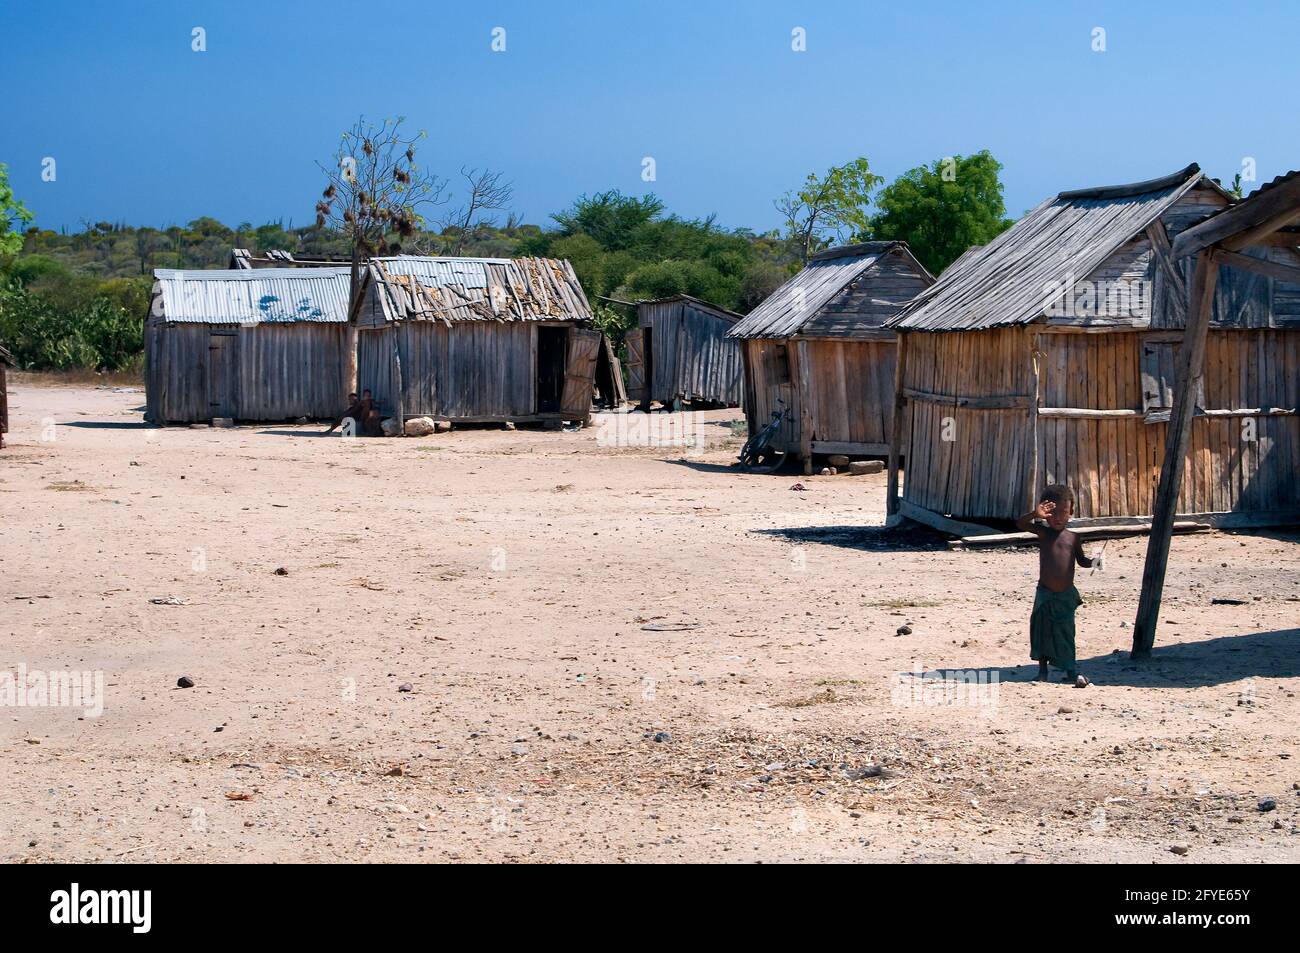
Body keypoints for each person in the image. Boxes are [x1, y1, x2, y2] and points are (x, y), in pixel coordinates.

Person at [1015, 485, 1102, 686]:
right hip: (1045, 592)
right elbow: (1020, 523)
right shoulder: (1044, 533)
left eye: (1063, 512)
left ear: (1071, 512)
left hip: (1065, 595)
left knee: (1066, 633)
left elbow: (1081, 561)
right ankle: (1042, 672)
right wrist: (1033, 514)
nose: (1058, 517)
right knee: (1041, 630)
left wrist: (1095, 562)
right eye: (1052, 513)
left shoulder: (1073, 538)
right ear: (1045, 514)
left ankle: (1071, 671)